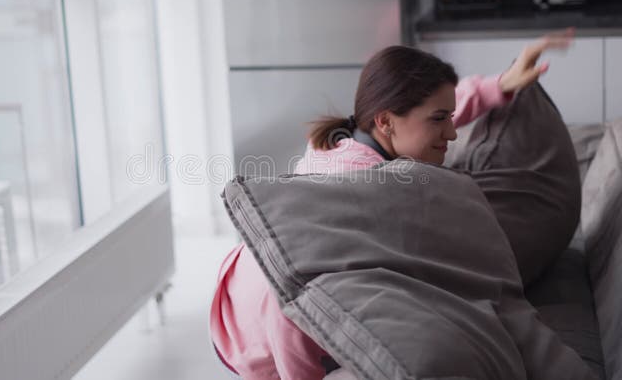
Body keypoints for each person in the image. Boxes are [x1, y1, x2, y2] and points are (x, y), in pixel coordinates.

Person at [210, 28, 575, 379]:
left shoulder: (348, 136)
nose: (451, 132)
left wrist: (500, 85)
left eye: (448, 118)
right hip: (254, 339)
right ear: (385, 121)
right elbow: (293, 295)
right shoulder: (360, 189)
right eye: (439, 121)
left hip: (231, 294)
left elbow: (430, 109)